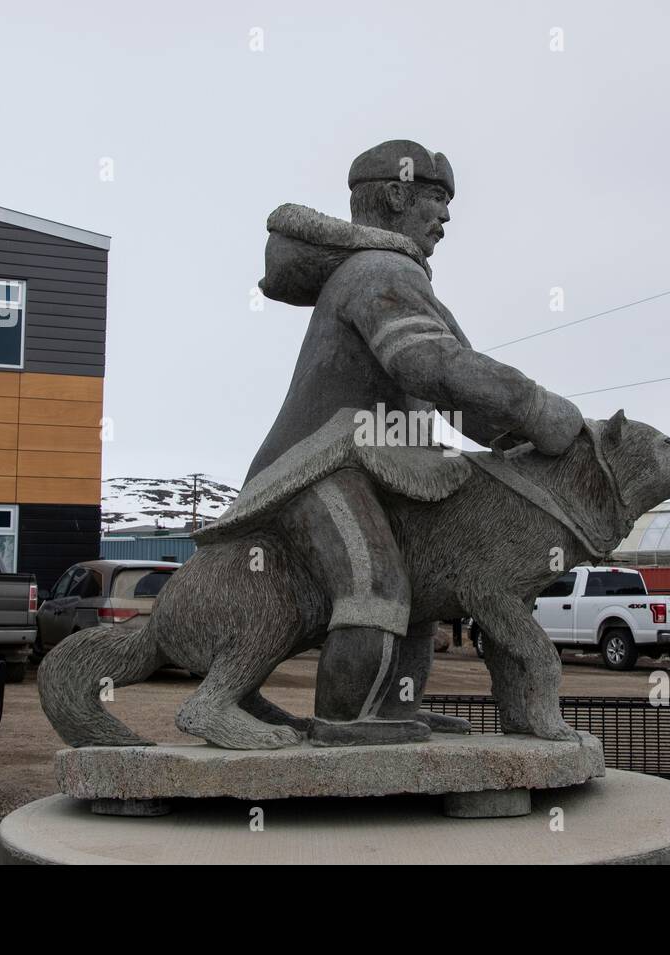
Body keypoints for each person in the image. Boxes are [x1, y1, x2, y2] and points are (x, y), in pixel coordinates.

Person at [252, 140, 584, 745]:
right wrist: (537, 408)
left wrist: (518, 440)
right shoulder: (379, 272)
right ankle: (345, 724)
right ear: (398, 194)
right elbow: (428, 364)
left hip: (371, 467)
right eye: (436, 199)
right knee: (377, 587)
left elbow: (457, 392)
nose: (446, 217)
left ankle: (389, 709)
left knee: (418, 591)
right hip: (315, 469)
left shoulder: (399, 276)